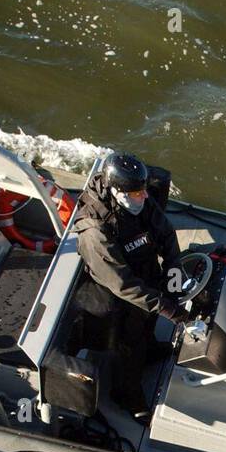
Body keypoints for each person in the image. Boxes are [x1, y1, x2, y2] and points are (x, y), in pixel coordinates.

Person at [72, 152, 183, 419]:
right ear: (117, 192)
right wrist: (168, 309)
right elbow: (122, 284)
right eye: (136, 194)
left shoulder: (137, 198)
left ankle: (150, 347)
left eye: (143, 191)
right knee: (129, 343)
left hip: (144, 270)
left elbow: (165, 232)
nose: (144, 197)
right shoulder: (95, 231)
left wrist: (173, 269)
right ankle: (127, 394)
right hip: (118, 290)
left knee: (147, 324)